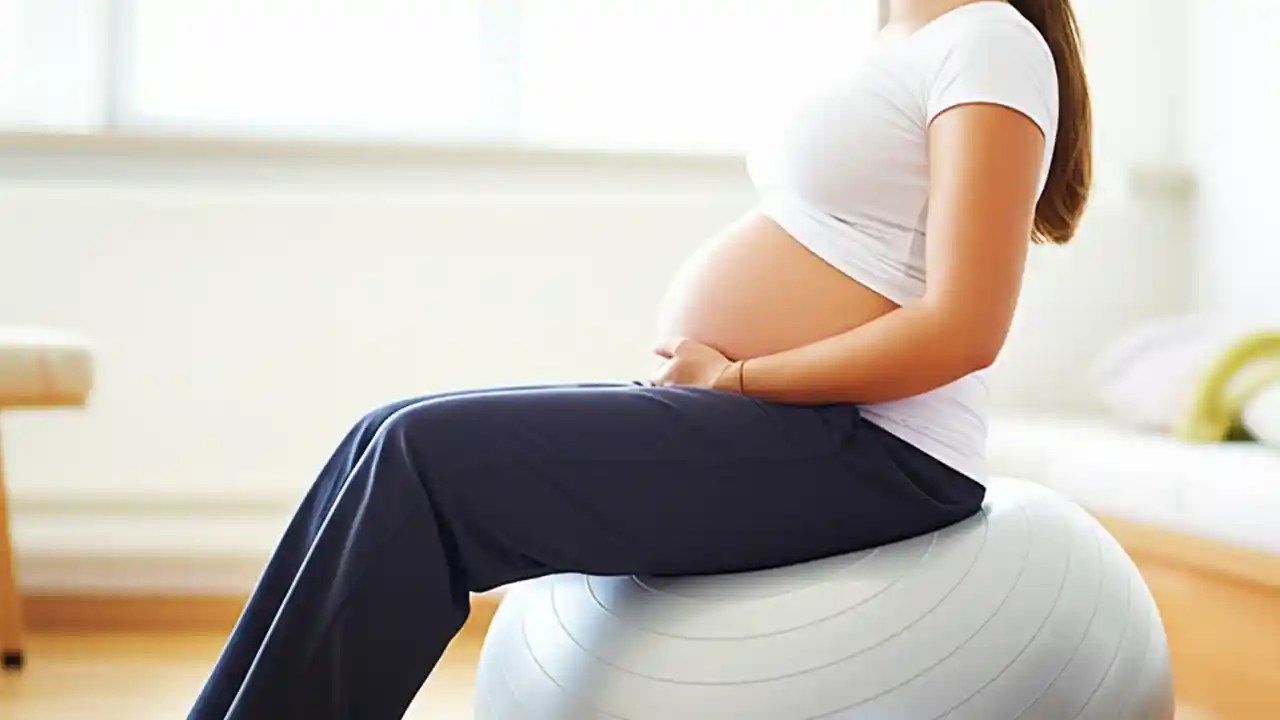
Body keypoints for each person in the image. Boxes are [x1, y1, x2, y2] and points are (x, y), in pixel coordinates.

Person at [189, 0, 1092, 717]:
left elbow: (964, 328)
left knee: (422, 461)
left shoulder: (991, 41)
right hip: (788, 423)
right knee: (382, 434)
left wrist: (737, 378)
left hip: (875, 448)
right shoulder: (901, 35)